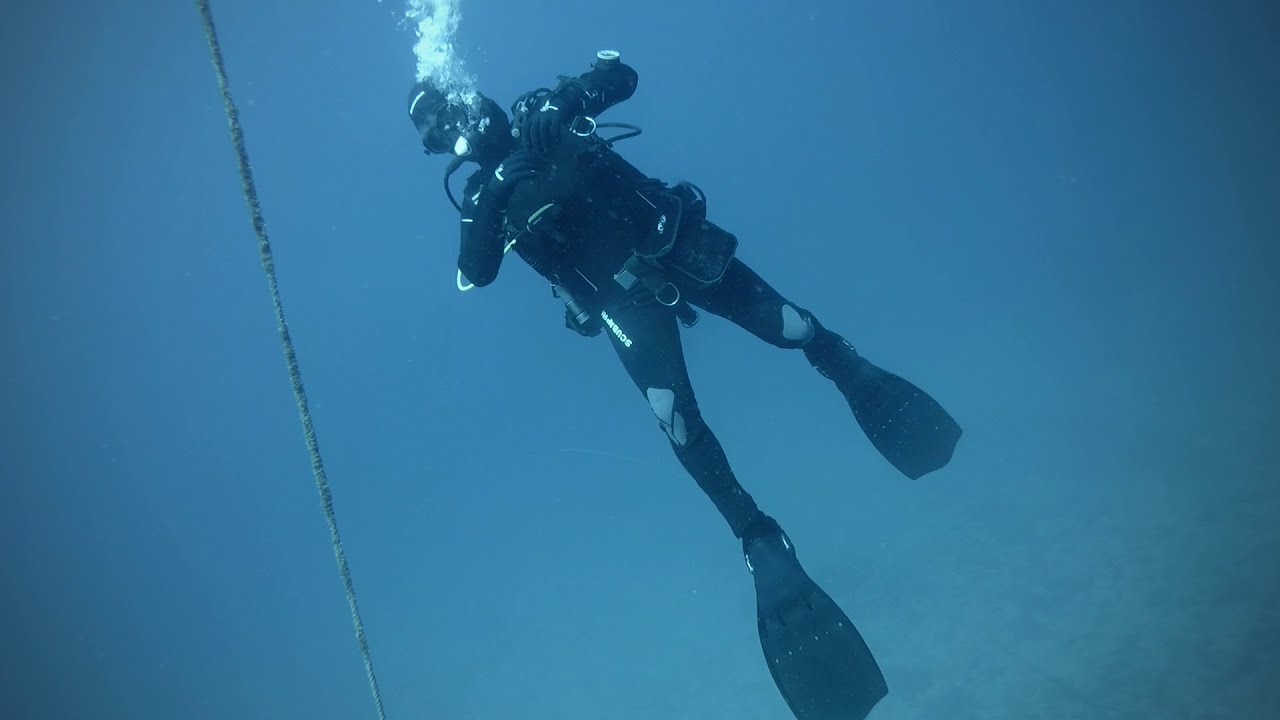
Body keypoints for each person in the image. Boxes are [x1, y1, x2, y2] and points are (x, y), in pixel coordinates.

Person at [406, 50, 962, 720]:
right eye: (439, 126)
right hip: (620, 304)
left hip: (673, 247)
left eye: (452, 102)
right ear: (438, 146)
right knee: (674, 418)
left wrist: (569, 96)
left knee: (788, 328)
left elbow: (623, 75)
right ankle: (757, 537)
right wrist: (494, 193)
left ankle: (844, 366)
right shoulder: (476, 200)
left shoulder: (541, 116)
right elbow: (474, 272)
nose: (458, 119)